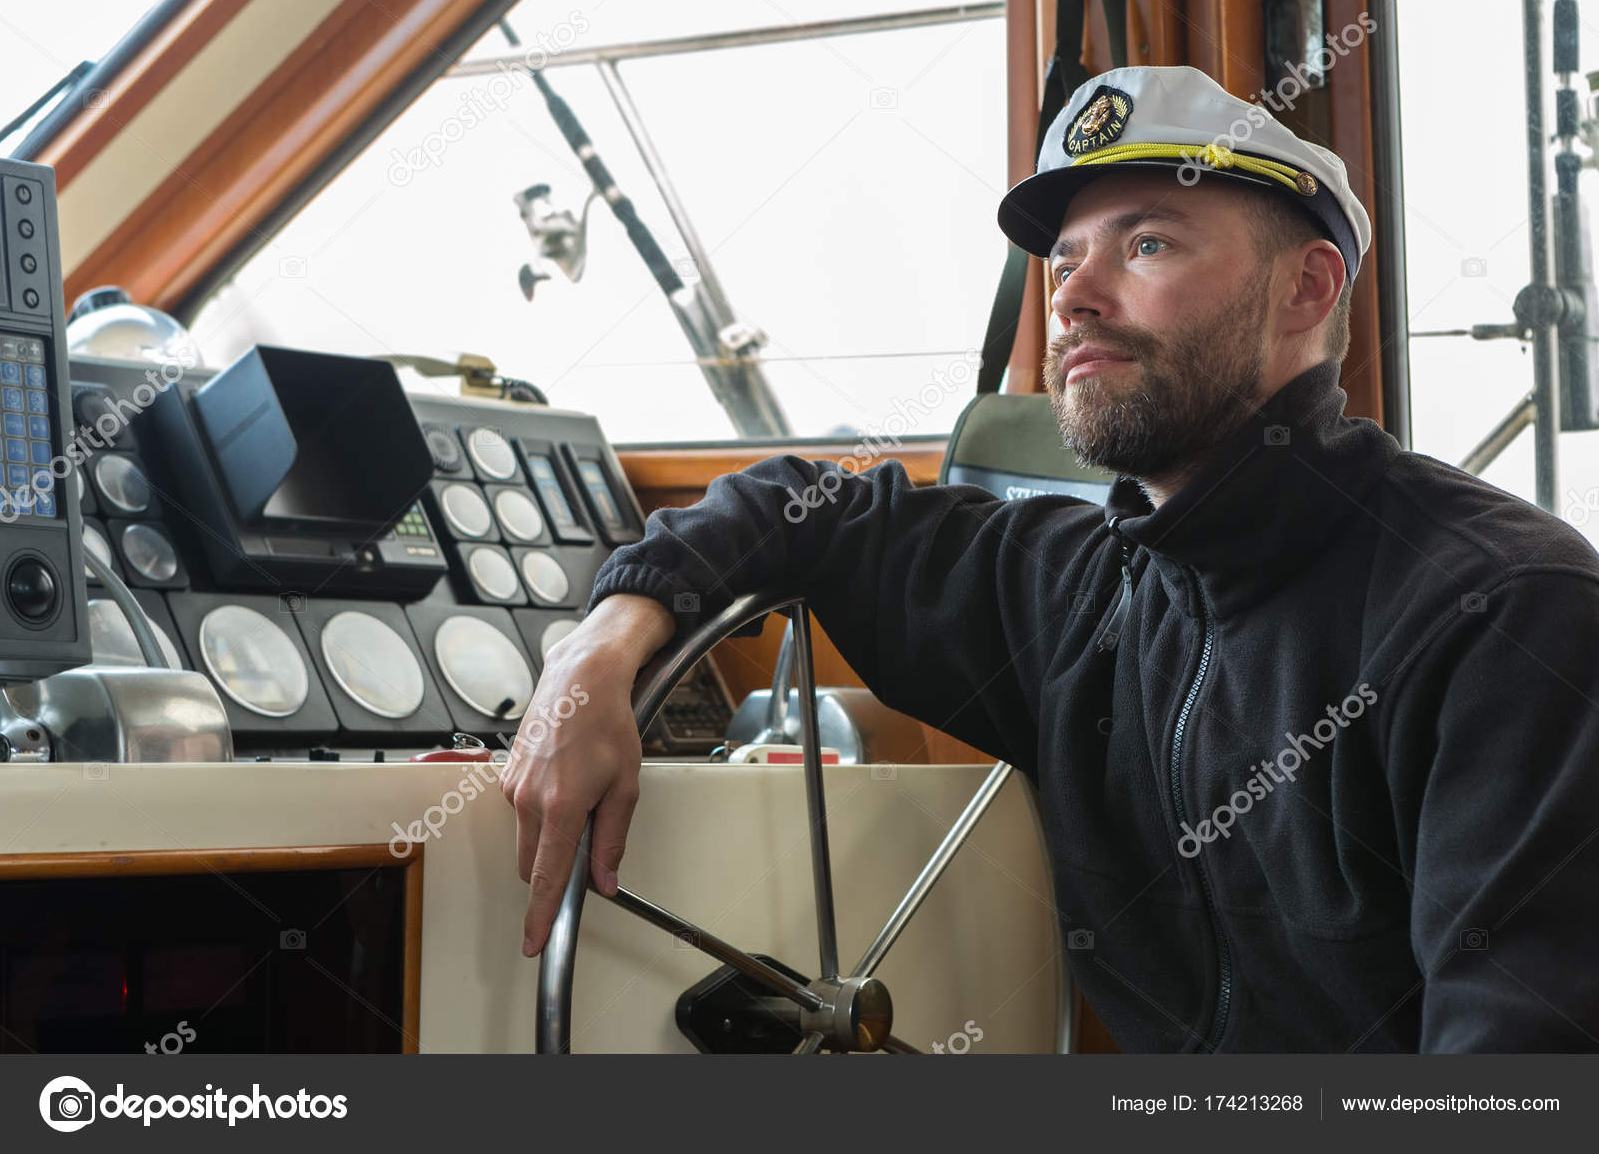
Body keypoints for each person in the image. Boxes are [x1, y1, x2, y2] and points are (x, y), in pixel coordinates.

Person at [499, 64, 1599, 1052]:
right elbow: (799, 505)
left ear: (1305, 290)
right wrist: (599, 649)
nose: (1071, 294)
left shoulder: (1503, 613)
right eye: (1065, 258)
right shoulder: (1067, 588)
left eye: (1148, 242)